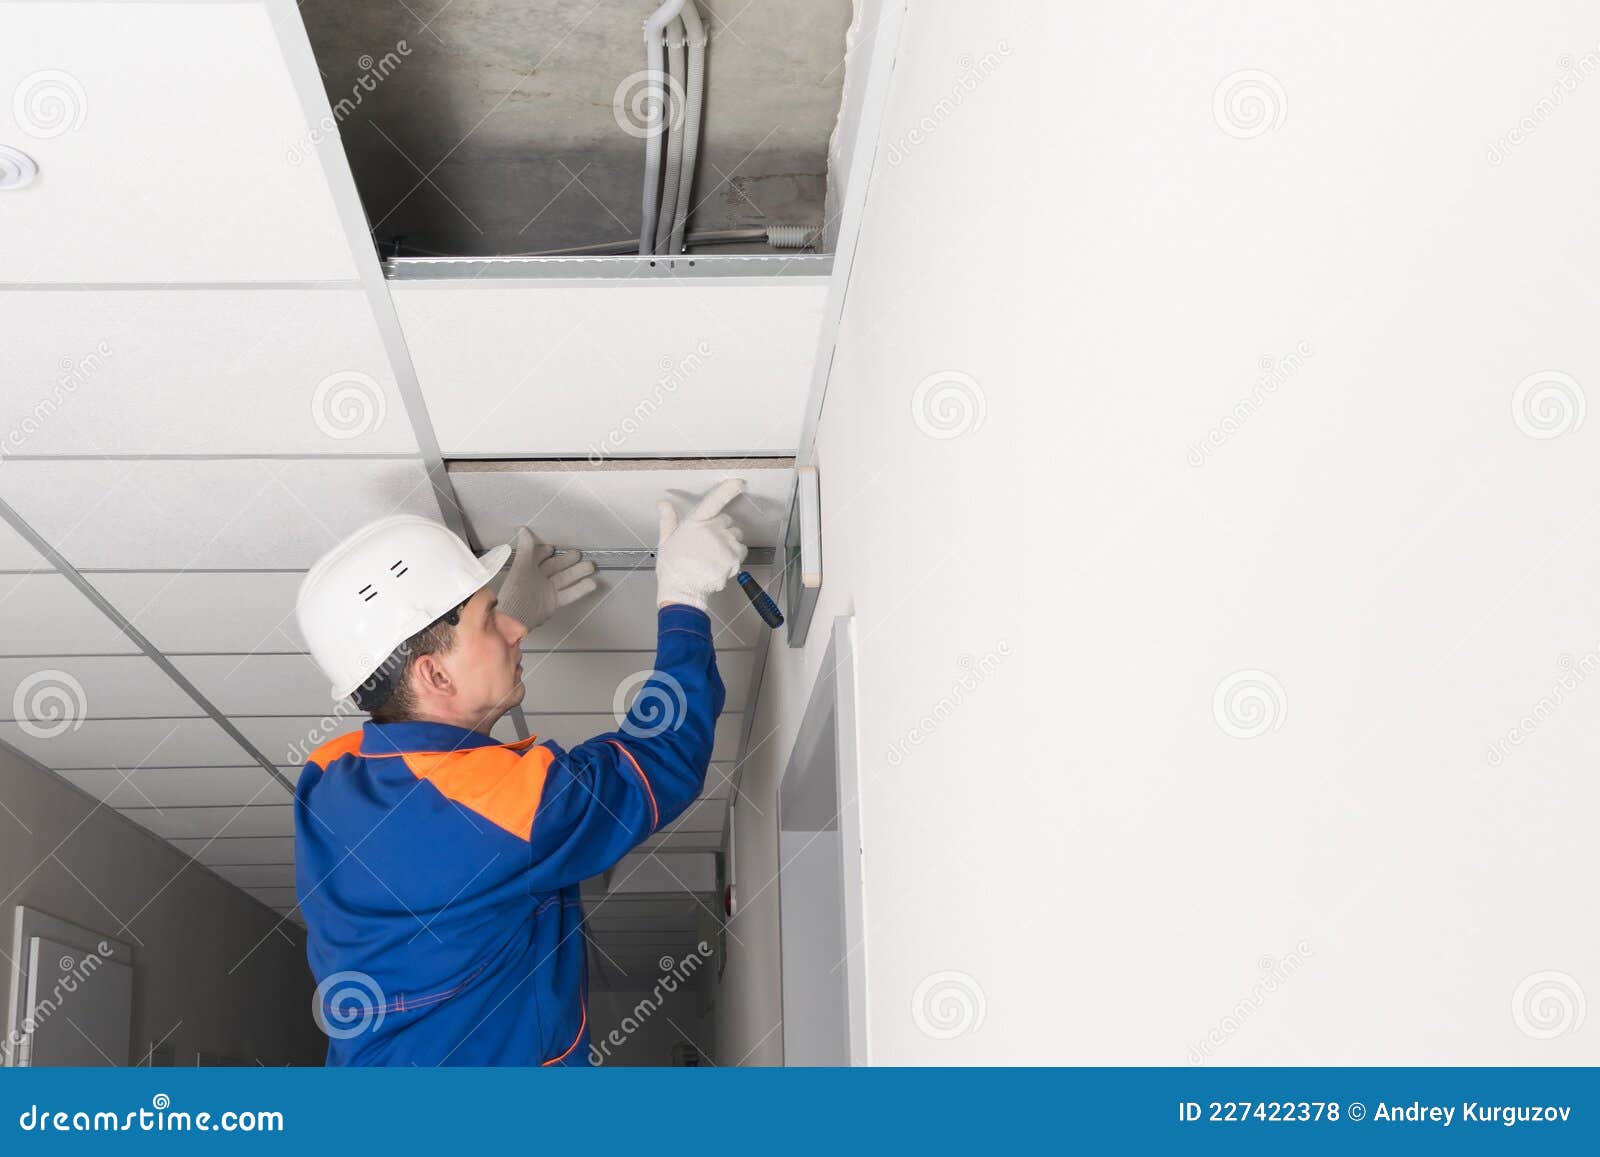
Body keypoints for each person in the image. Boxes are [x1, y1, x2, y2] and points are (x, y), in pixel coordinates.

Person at [291, 478, 747, 1065]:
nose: (511, 628)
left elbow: (441, 773)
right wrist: (683, 597)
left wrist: (495, 628)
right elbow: (661, 760)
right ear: (434, 674)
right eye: (491, 620)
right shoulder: (498, 811)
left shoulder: (330, 776)